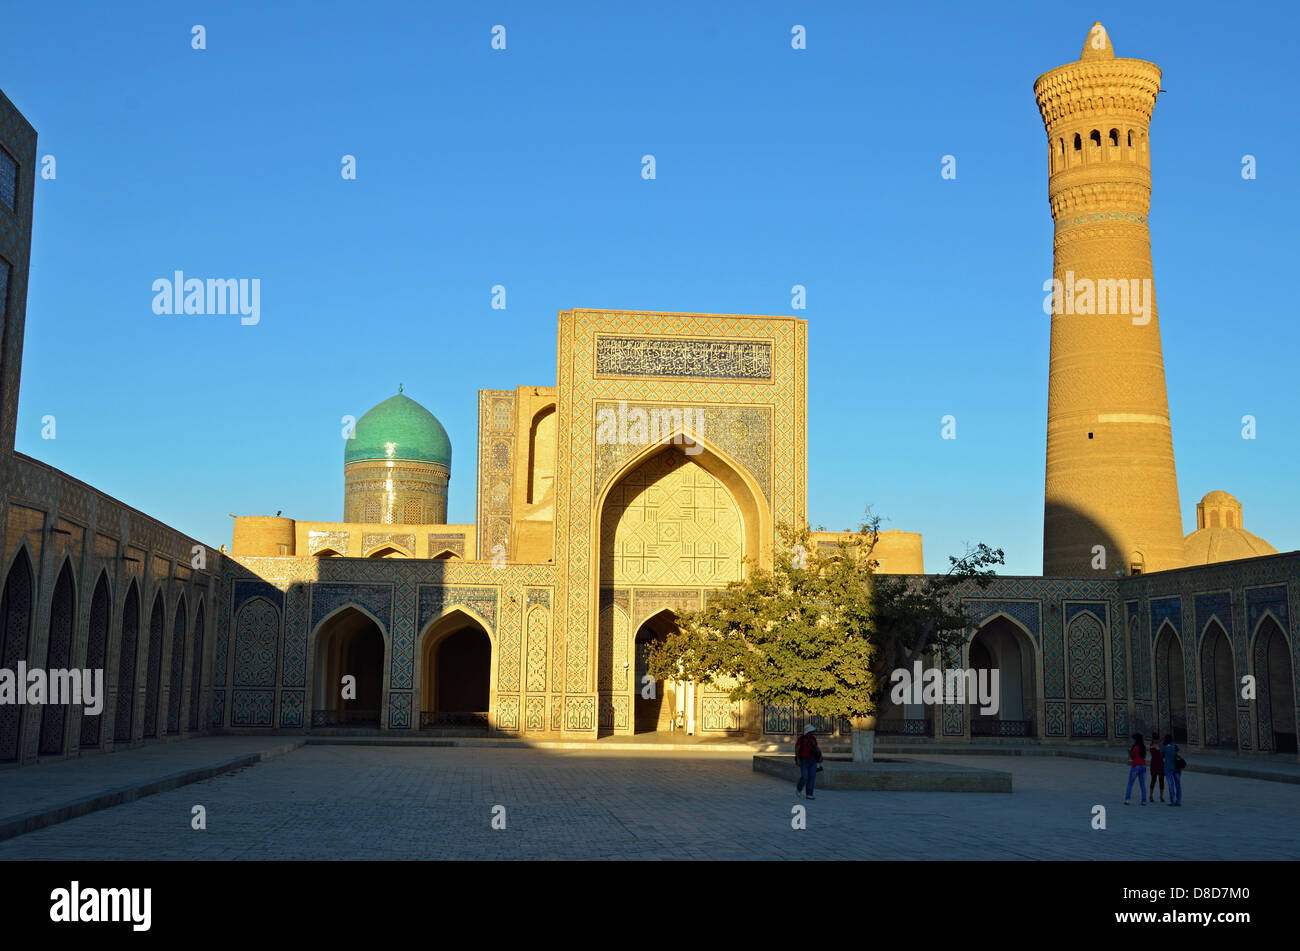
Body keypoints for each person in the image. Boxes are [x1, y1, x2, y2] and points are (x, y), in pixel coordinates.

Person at [794, 725, 823, 800]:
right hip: (804, 760)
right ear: (808, 732)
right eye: (811, 731)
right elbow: (797, 749)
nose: (813, 732)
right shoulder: (801, 739)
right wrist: (798, 759)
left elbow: (816, 748)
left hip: (813, 760)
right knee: (805, 776)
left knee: (812, 777)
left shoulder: (813, 739)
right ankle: (799, 788)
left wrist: (820, 756)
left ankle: (809, 794)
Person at [1124, 733, 1147, 805]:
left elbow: (1133, 757)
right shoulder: (1143, 747)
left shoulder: (1135, 747)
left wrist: (1129, 753)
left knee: (1130, 783)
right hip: (1143, 766)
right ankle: (1144, 800)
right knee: (1142, 784)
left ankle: (1127, 799)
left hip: (1136, 766)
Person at [1162, 734, 1182, 806]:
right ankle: (1178, 801)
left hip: (1168, 768)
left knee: (1171, 785)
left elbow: (1162, 756)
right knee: (1178, 785)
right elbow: (1178, 754)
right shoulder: (1175, 747)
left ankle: (1172, 801)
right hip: (1177, 768)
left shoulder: (1164, 747)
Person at [1148, 730, 1166, 803]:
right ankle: (1150, 796)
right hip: (1154, 764)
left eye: (1156, 739)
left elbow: (1163, 755)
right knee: (1153, 780)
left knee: (1161, 780)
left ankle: (1161, 796)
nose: (1156, 740)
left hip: (1160, 763)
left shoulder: (1161, 745)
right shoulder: (1151, 746)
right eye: (1155, 739)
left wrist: (1160, 748)